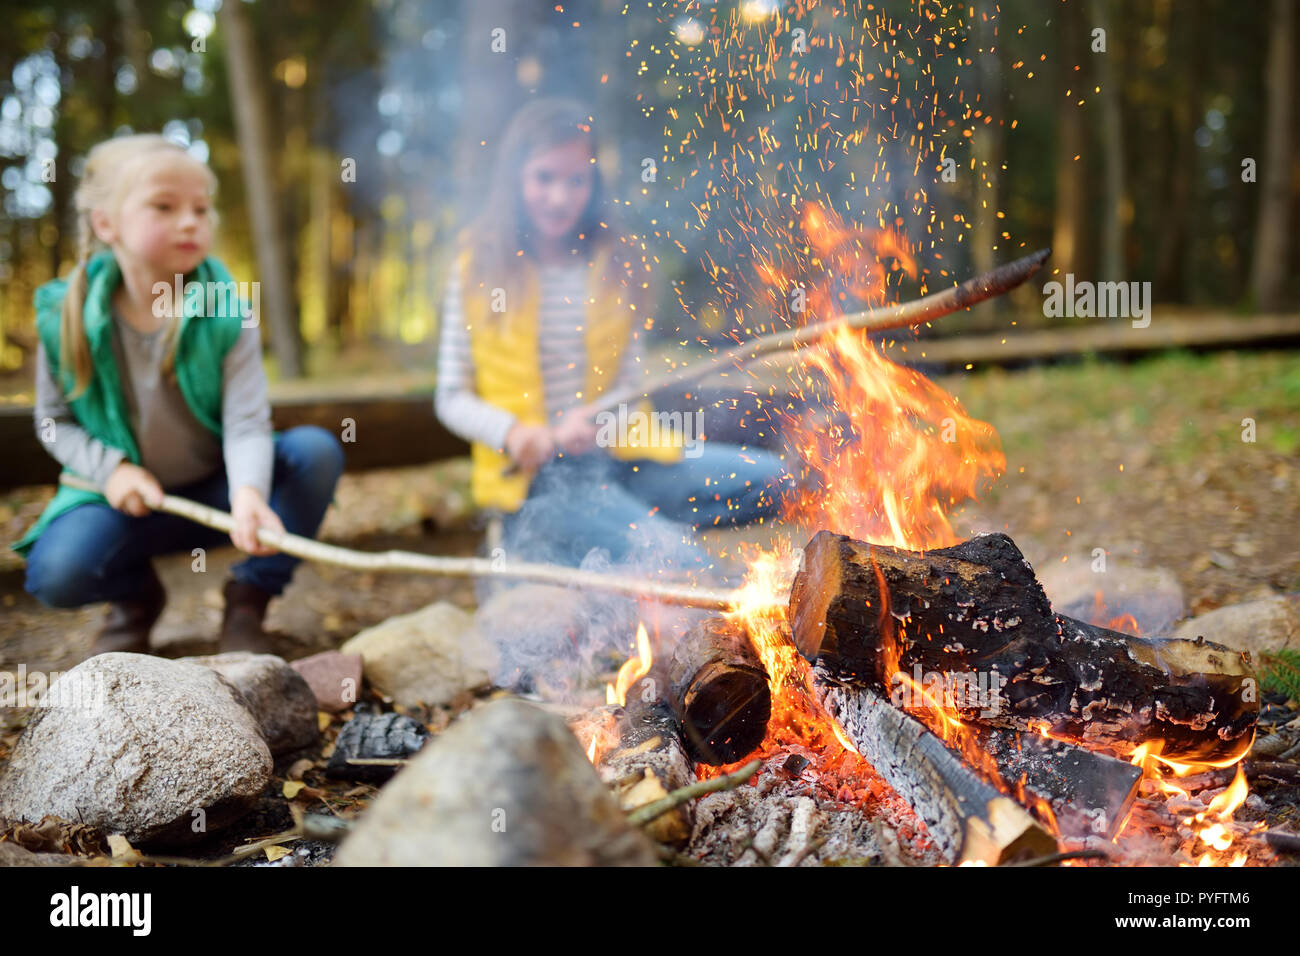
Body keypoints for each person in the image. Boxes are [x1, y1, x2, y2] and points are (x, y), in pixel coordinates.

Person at [14, 133, 344, 657]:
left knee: (315, 452)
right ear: (106, 223)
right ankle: (136, 598)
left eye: (201, 208)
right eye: (164, 206)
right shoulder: (64, 315)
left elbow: (246, 423)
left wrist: (250, 493)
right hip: (123, 503)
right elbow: (56, 422)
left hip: (214, 493)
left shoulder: (228, 311)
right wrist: (112, 470)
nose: (191, 221)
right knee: (58, 573)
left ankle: (248, 600)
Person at [435, 100, 797, 578]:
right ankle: (594, 539)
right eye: (545, 177)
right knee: (680, 562)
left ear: (594, 184)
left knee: (781, 481)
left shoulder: (619, 263)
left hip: (627, 459)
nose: (560, 197)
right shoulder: (478, 265)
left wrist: (603, 423)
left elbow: (627, 385)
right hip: (540, 484)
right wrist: (516, 433)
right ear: (516, 179)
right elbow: (451, 396)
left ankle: (625, 530)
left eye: (576, 180)